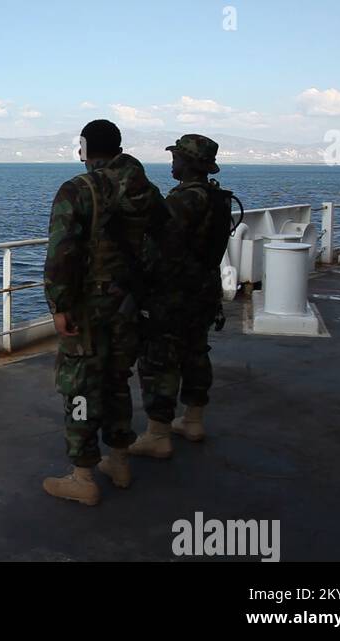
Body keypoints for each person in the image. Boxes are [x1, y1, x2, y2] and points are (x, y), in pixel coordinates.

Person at [42, 119, 167, 505]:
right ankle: (120, 461)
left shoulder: (78, 190)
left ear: (84, 148)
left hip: (89, 309)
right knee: (116, 380)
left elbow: (61, 253)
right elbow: (165, 239)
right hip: (128, 304)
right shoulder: (145, 191)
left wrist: (60, 304)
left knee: (80, 387)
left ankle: (83, 476)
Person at [131, 134, 223, 459]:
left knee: (160, 359)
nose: (173, 163)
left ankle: (158, 434)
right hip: (204, 290)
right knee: (196, 352)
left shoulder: (184, 200)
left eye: (176, 158)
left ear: (188, 163)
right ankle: (193, 421)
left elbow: (158, 244)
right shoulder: (215, 197)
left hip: (173, 294)